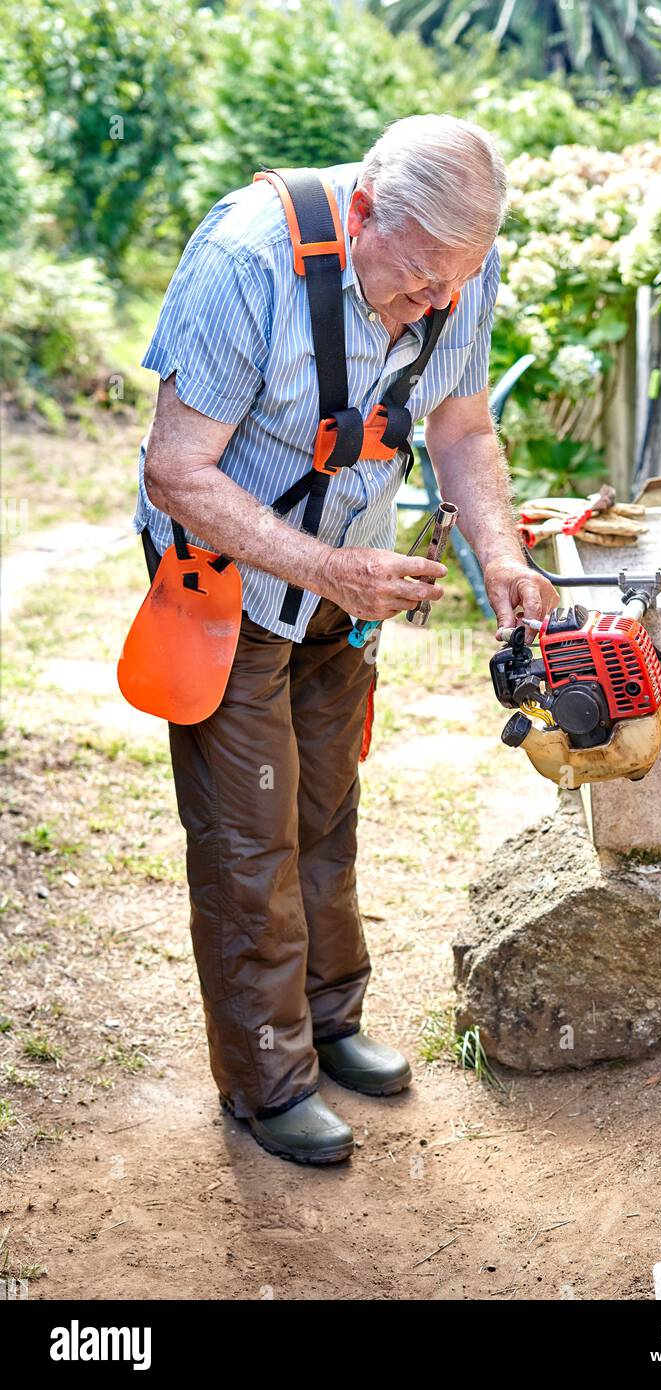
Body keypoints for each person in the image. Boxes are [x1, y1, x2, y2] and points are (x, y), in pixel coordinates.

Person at [134, 113, 556, 1164]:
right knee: (248, 835)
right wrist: (325, 568)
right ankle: (267, 1078)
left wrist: (499, 552)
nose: (438, 305)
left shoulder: (452, 261)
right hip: (227, 576)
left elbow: (459, 423)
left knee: (325, 801)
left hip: (349, 572)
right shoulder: (246, 262)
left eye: (455, 284)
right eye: (417, 283)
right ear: (365, 212)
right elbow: (176, 470)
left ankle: (330, 1017)